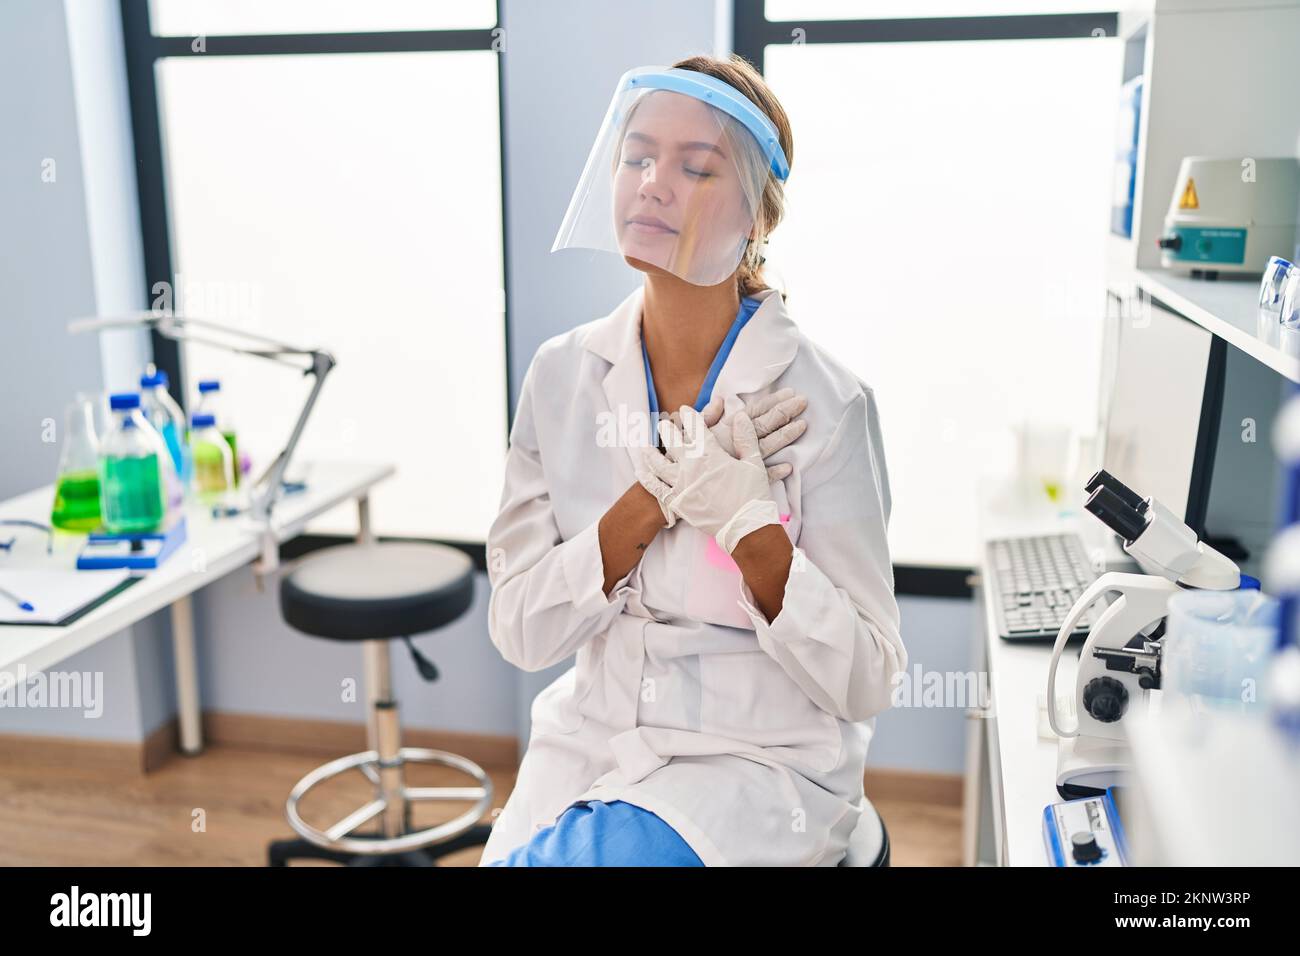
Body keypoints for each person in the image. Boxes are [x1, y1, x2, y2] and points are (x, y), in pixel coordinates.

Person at [480, 54, 906, 867]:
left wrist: (750, 528)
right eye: (637, 157)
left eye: (695, 167)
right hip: (592, 740)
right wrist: (647, 504)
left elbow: (869, 680)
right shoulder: (562, 376)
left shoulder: (827, 402)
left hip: (751, 765)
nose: (652, 183)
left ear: (760, 218)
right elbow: (521, 628)